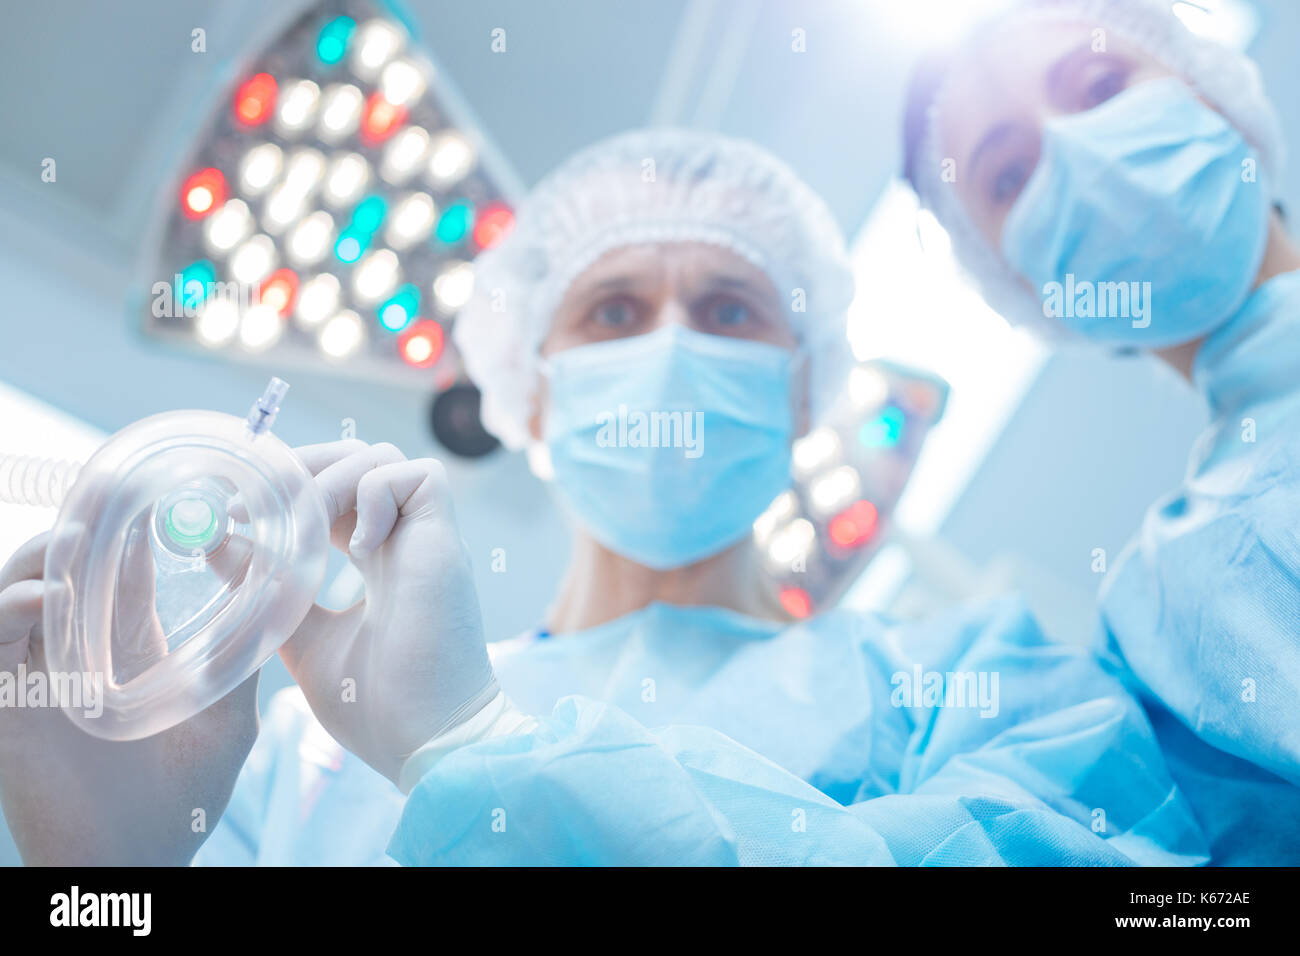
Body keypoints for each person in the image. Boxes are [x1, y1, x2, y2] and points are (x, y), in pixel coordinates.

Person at [0, 130, 1208, 866]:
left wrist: (472, 751)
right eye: (613, 311)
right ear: (529, 385)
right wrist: (111, 881)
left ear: (803, 391)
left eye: (730, 309)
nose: (672, 346)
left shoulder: (978, 681)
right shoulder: (305, 750)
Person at [901, 0, 1300, 863]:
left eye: (1103, 83)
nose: (1079, 151)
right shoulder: (1168, 611)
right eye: (1009, 177)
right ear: (1027, 293)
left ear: (1212, 91)